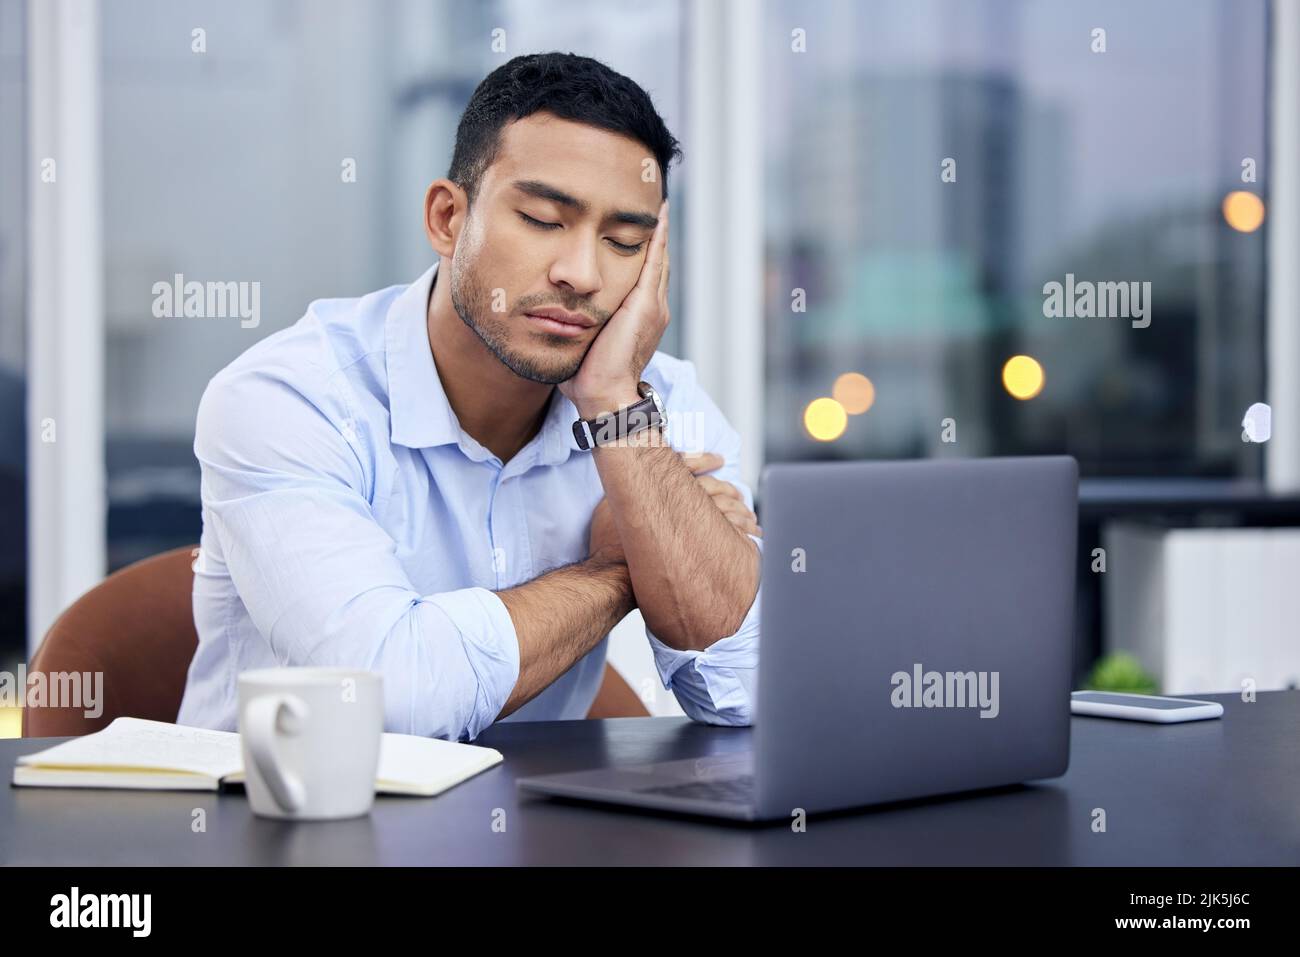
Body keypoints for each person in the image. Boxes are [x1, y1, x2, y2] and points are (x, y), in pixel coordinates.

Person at [177, 52, 761, 741]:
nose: (582, 274)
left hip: (540, 835)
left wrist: (612, 403)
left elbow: (748, 690)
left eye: (624, 241)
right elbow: (391, 702)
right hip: (283, 834)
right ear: (448, 218)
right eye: (544, 219)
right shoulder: (288, 398)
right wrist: (617, 568)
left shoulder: (660, 404)